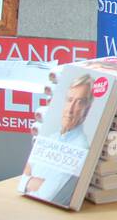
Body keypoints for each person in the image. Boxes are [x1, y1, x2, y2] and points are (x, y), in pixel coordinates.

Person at [20, 73, 95, 205]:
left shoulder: (80, 147)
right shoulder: (51, 138)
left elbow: (47, 196)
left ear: (87, 109)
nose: (70, 110)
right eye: (69, 100)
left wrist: (29, 181)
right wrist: (33, 183)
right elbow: (23, 179)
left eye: (79, 102)